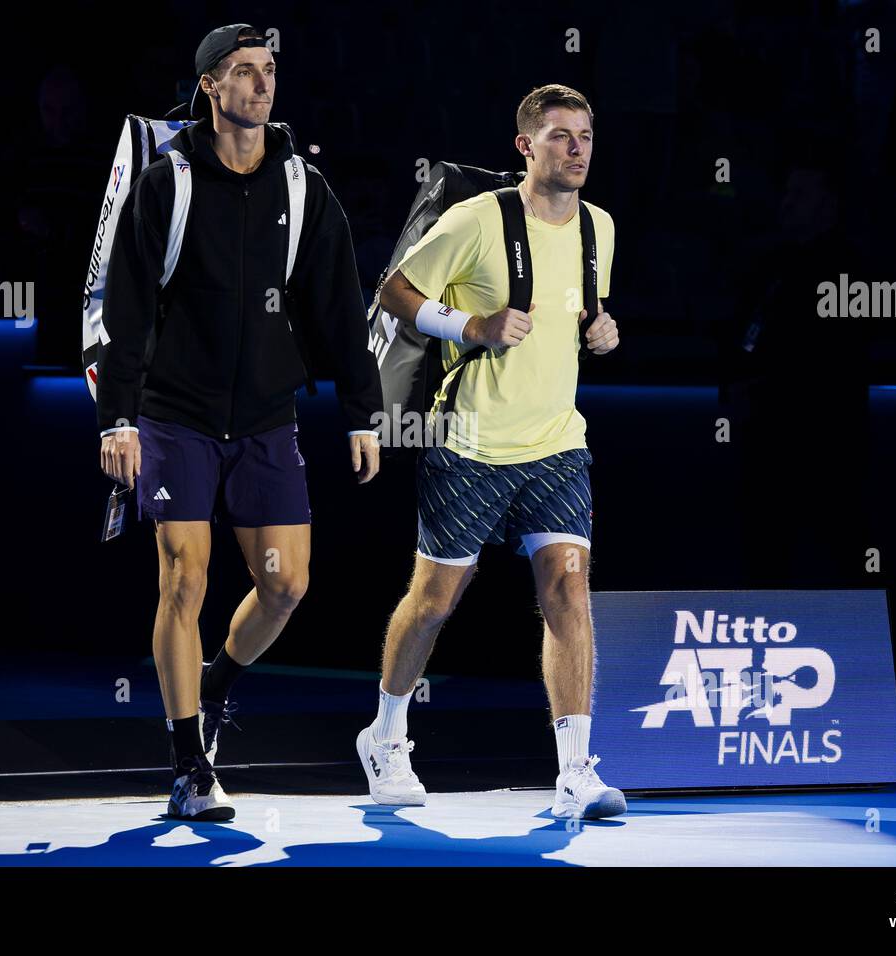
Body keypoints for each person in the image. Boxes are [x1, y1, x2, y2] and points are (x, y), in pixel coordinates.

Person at [97, 24, 382, 821]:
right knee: (184, 578)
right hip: (172, 414)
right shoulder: (169, 183)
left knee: (286, 585)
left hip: (266, 416)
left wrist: (361, 412)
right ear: (211, 88)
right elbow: (127, 307)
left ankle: (216, 685)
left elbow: (338, 308)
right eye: (245, 73)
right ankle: (189, 764)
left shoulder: (303, 187)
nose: (263, 85)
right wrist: (116, 417)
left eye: (270, 70)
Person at [357, 84, 626, 819]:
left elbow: (583, 315)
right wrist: (469, 325)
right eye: (561, 136)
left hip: (557, 446)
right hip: (469, 443)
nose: (577, 149)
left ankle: (575, 771)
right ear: (525, 146)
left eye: (586, 136)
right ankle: (384, 736)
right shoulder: (476, 219)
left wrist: (603, 332)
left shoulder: (600, 226)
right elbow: (395, 291)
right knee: (436, 600)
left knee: (567, 592)